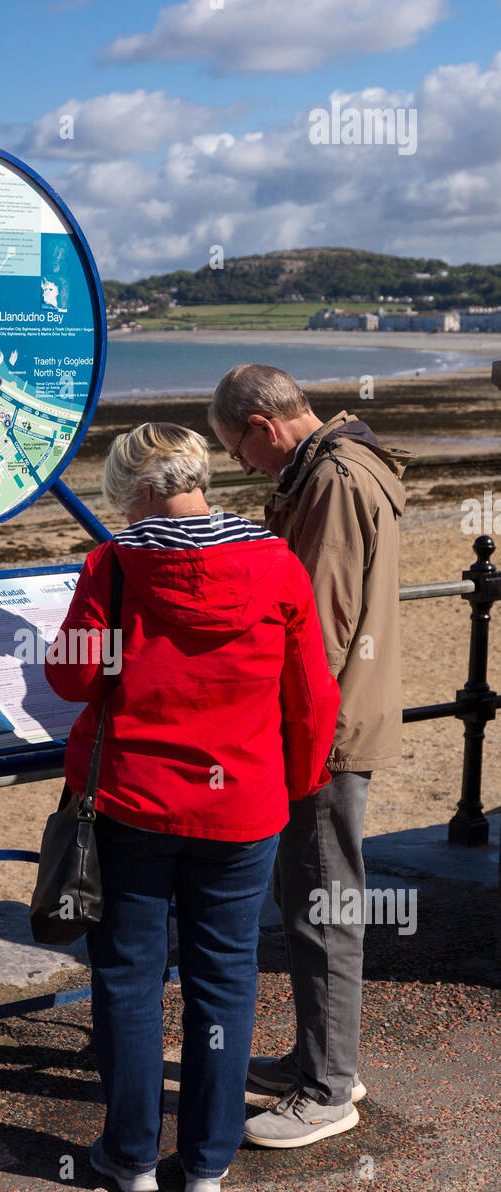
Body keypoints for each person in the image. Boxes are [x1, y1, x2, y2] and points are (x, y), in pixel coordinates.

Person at [44, 423, 339, 1192]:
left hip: (134, 802)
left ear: (139, 490)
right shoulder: (276, 563)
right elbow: (311, 693)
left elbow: (74, 680)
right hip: (242, 804)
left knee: (129, 977)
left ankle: (130, 1155)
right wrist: (298, 782)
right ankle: (207, 1162)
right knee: (225, 978)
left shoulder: (114, 567)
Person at [209, 364, 409, 1148]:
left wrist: (285, 730)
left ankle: (328, 1090)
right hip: (346, 715)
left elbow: (314, 627)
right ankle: (324, 1059)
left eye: (239, 451)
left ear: (263, 426)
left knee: (323, 898)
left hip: (324, 731)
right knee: (317, 894)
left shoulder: (330, 480)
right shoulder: (356, 462)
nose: (244, 467)